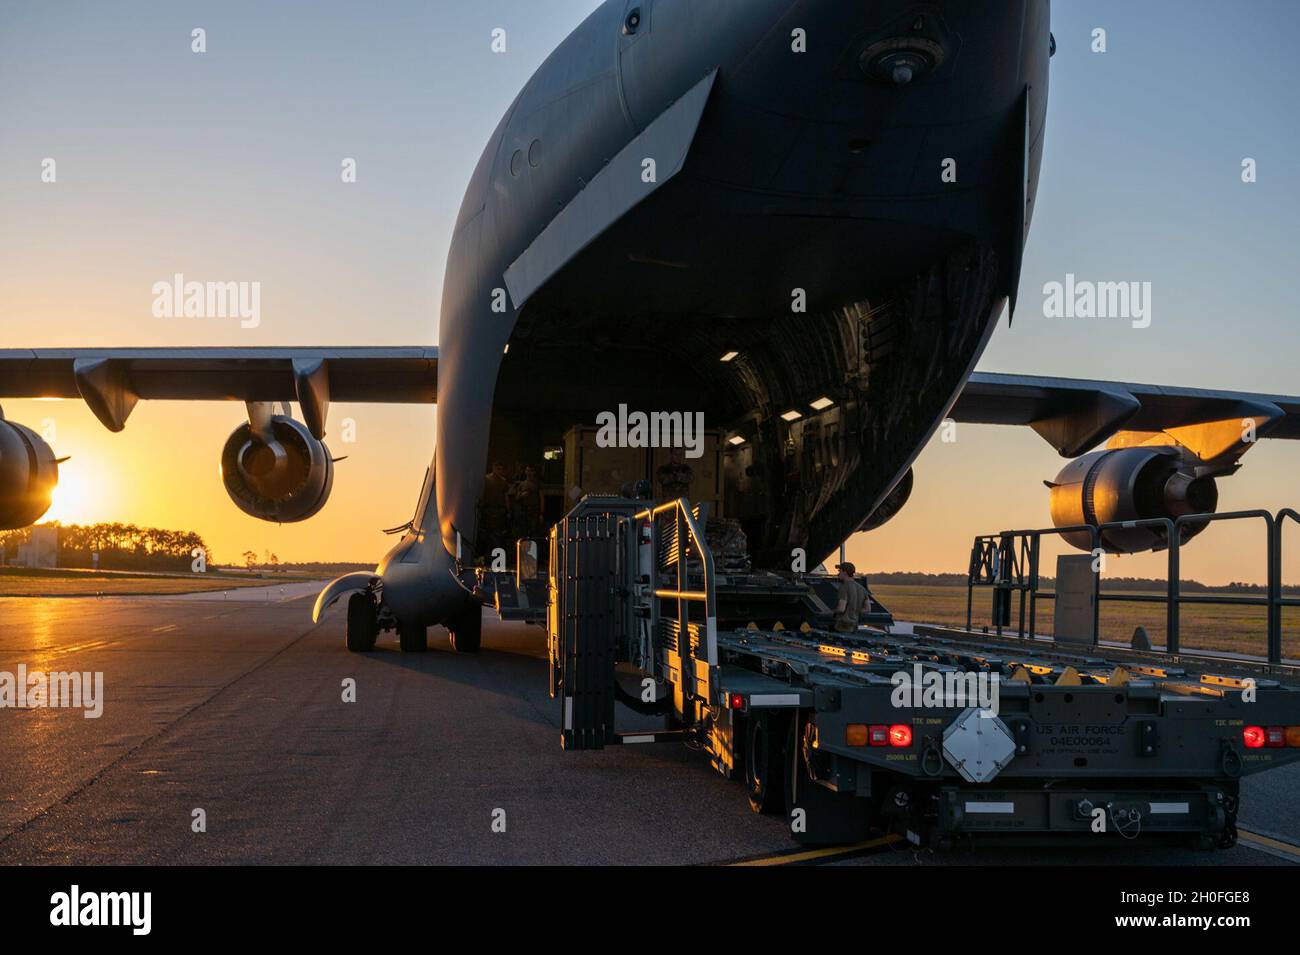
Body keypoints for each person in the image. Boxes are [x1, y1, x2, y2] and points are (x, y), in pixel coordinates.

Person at [480, 462, 511, 555]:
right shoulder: (486, 479)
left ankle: (496, 554)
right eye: (498, 468)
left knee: (497, 534)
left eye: (501, 469)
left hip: (499, 510)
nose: (499, 471)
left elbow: (506, 496)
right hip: (489, 509)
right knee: (488, 533)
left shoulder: (503, 481)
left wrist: (508, 510)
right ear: (493, 468)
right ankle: (489, 554)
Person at [832, 561, 870, 633]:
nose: (838, 574)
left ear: (845, 572)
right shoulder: (862, 588)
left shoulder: (844, 587)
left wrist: (832, 612)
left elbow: (841, 609)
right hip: (854, 625)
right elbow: (867, 609)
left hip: (842, 626)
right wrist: (854, 611)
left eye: (840, 571)